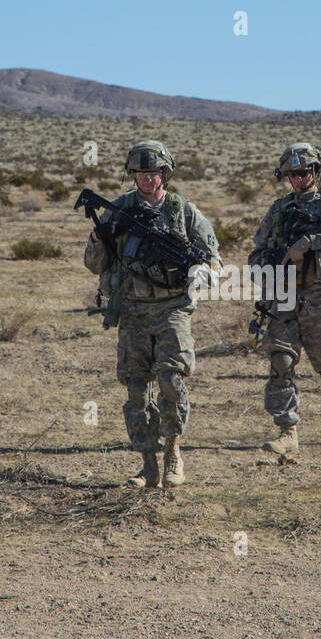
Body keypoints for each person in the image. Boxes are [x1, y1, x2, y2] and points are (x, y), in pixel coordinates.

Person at [83, 141, 219, 488]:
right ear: (134, 175)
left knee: (172, 382)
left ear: (165, 174)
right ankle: (148, 464)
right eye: (141, 173)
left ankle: (173, 453)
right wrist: (99, 240)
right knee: (135, 389)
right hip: (132, 310)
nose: (147, 179)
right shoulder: (118, 210)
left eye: (154, 172)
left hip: (172, 308)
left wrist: (205, 271)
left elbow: (214, 257)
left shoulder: (182, 210)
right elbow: (94, 264)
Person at [249, 143, 321, 458]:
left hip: (320, 293)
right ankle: (288, 431)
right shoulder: (278, 209)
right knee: (281, 361)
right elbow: (257, 250)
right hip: (283, 294)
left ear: (315, 171)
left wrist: (312, 242)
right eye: (292, 174)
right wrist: (263, 270)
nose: (299, 179)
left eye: (304, 172)